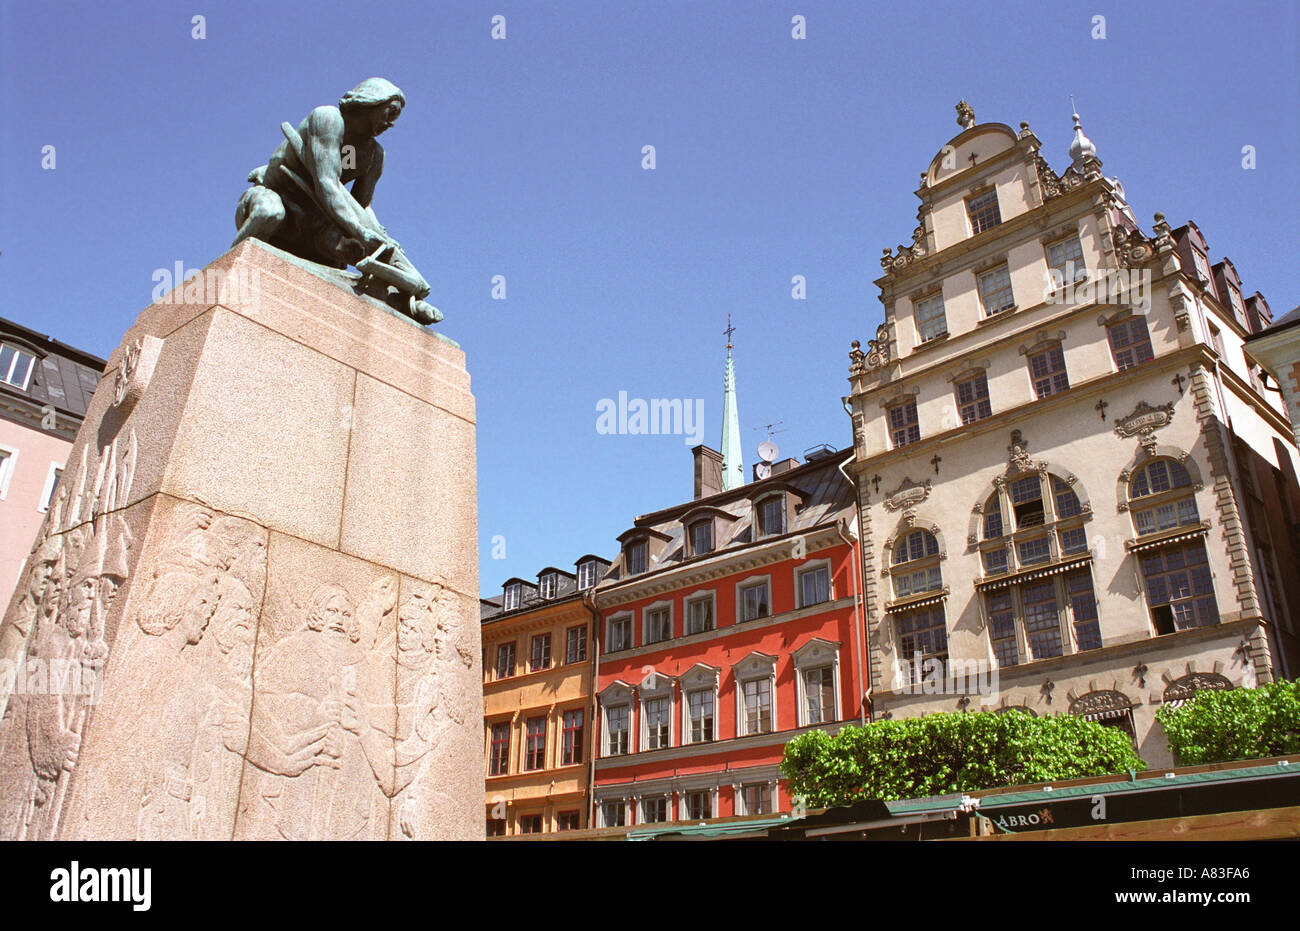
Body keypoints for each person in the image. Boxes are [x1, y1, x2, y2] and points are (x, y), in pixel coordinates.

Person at [233, 78, 440, 323]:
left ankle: (406, 301)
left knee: (359, 253)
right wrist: (359, 230)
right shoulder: (329, 119)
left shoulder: (375, 155)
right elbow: (327, 182)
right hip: (280, 197)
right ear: (371, 101)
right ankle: (229, 269)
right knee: (269, 214)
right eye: (390, 111)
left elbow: (362, 206)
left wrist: (380, 238)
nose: (391, 122)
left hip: (314, 223)